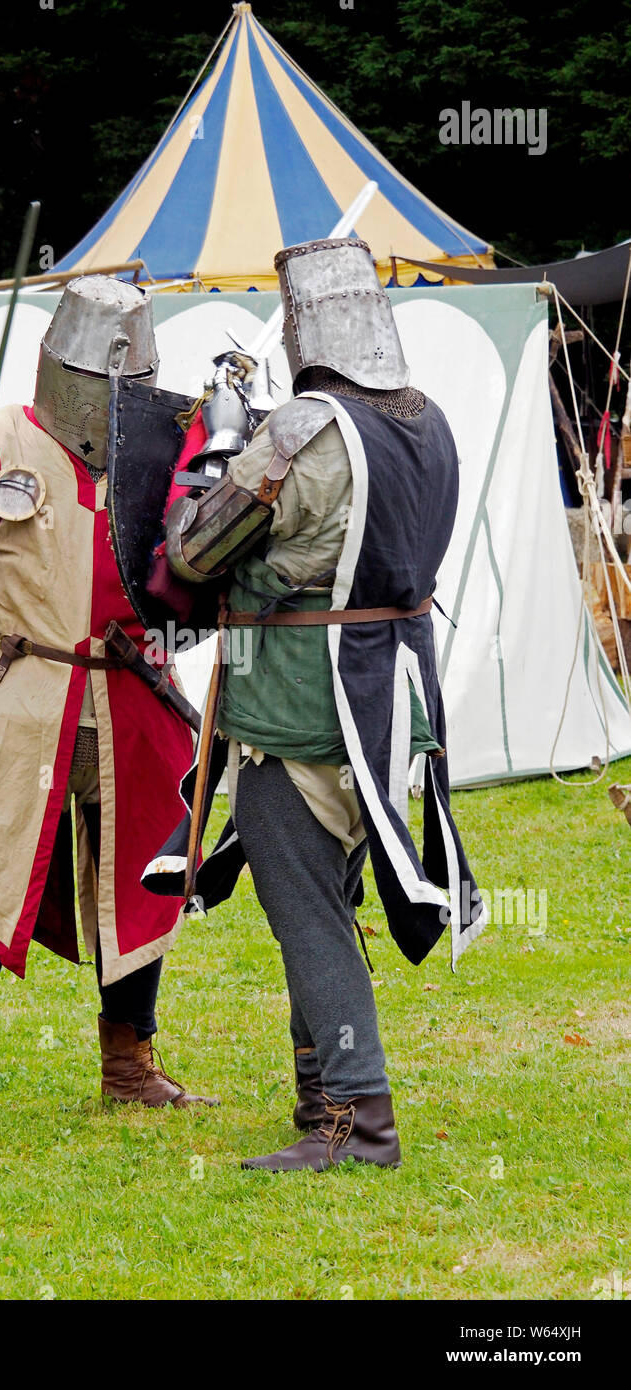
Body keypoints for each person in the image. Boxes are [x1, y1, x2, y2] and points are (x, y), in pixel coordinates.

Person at [160, 237, 482, 1171]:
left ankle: (356, 1122)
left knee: (306, 915)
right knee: (323, 906)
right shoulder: (431, 420)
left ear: (305, 324)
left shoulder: (304, 428)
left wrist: (216, 450)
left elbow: (194, 550)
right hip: (389, 703)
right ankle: (322, 1103)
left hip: (304, 708)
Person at [0, 275, 217, 1130]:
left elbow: (202, 563)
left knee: (141, 879)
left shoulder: (174, 445)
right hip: (20, 690)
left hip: (134, 691)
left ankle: (129, 1062)